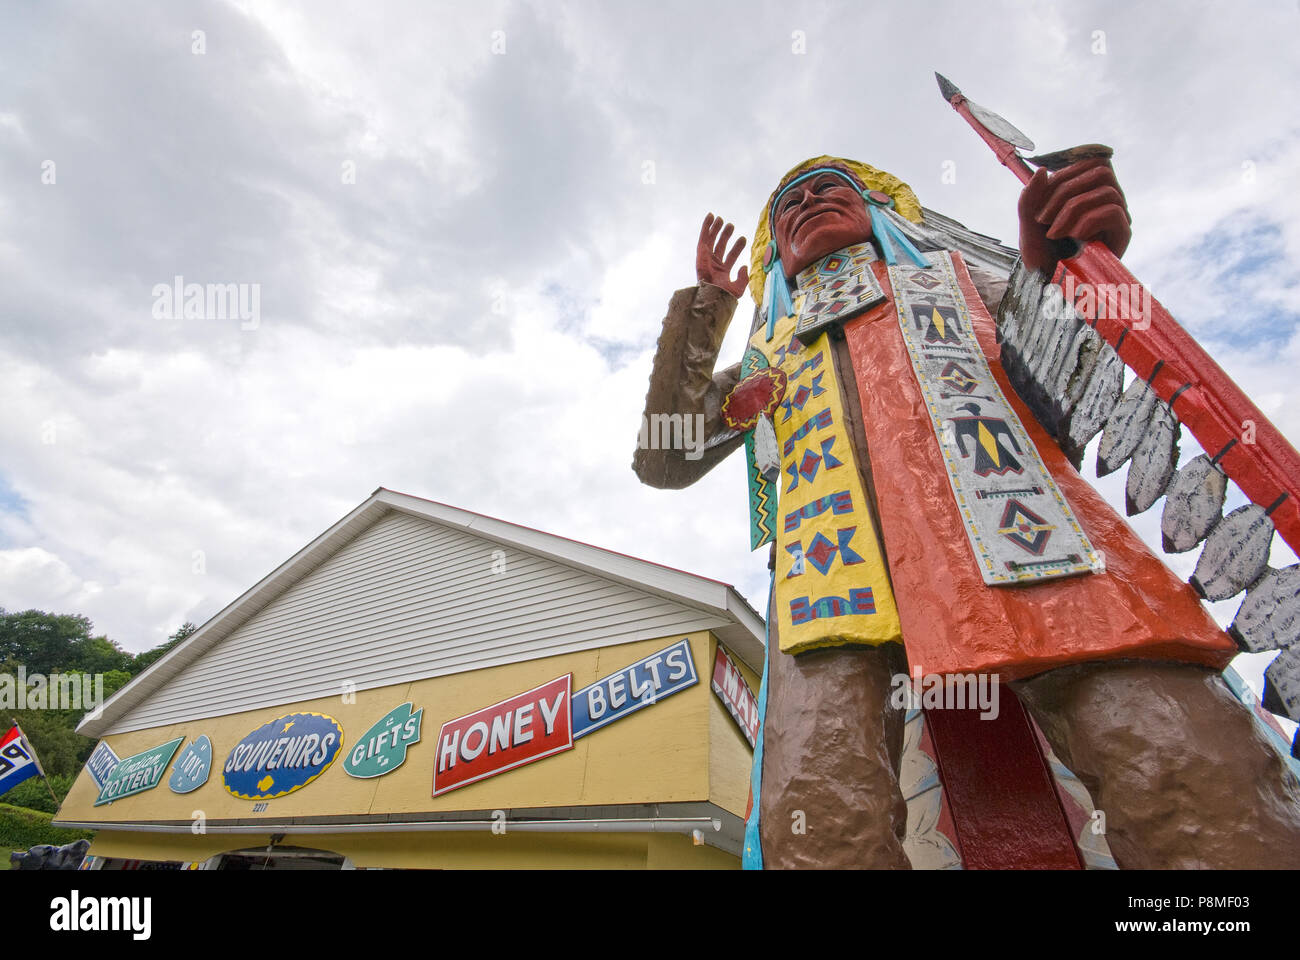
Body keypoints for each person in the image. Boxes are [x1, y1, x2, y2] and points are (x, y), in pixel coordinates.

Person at [634, 154, 1300, 869]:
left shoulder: (960, 282)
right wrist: (706, 305)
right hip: (829, 578)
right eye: (788, 203)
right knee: (821, 811)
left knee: (1178, 765)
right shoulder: (770, 355)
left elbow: (1079, 363)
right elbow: (665, 456)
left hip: (1034, 529)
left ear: (882, 211)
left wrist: (1068, 257)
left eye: (831, 188)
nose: (807, 202)